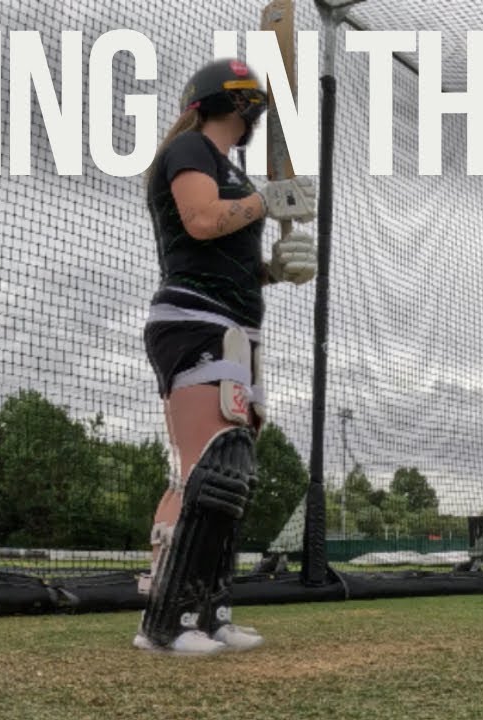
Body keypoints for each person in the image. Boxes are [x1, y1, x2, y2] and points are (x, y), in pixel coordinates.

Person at [133, 58, 317, 655]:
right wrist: (267, 200)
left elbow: (227, 254)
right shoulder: (189, 150)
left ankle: (210, 612)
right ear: (227, 102)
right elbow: (203, 221)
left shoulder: (229, 168)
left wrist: (273, 271)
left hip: (237, 325)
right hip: (193, 320)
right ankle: (165, 623)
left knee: (231, 476)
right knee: (207, 471)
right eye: (248, 102)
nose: (252, 113)